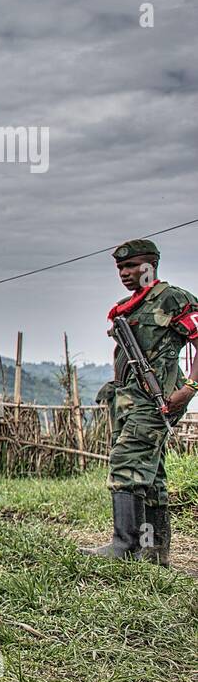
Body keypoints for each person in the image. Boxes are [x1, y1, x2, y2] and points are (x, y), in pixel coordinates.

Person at [82, 239, 198, 565]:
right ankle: (154, 551)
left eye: (131, 266)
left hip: (157, 400)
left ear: (149, 266)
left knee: (127, 464)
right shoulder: (130, 305)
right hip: (129, 401)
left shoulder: (173, 299)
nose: (124, 273)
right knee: (151, 474)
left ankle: (125, 548)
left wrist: (189, 388)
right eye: (120, 268)